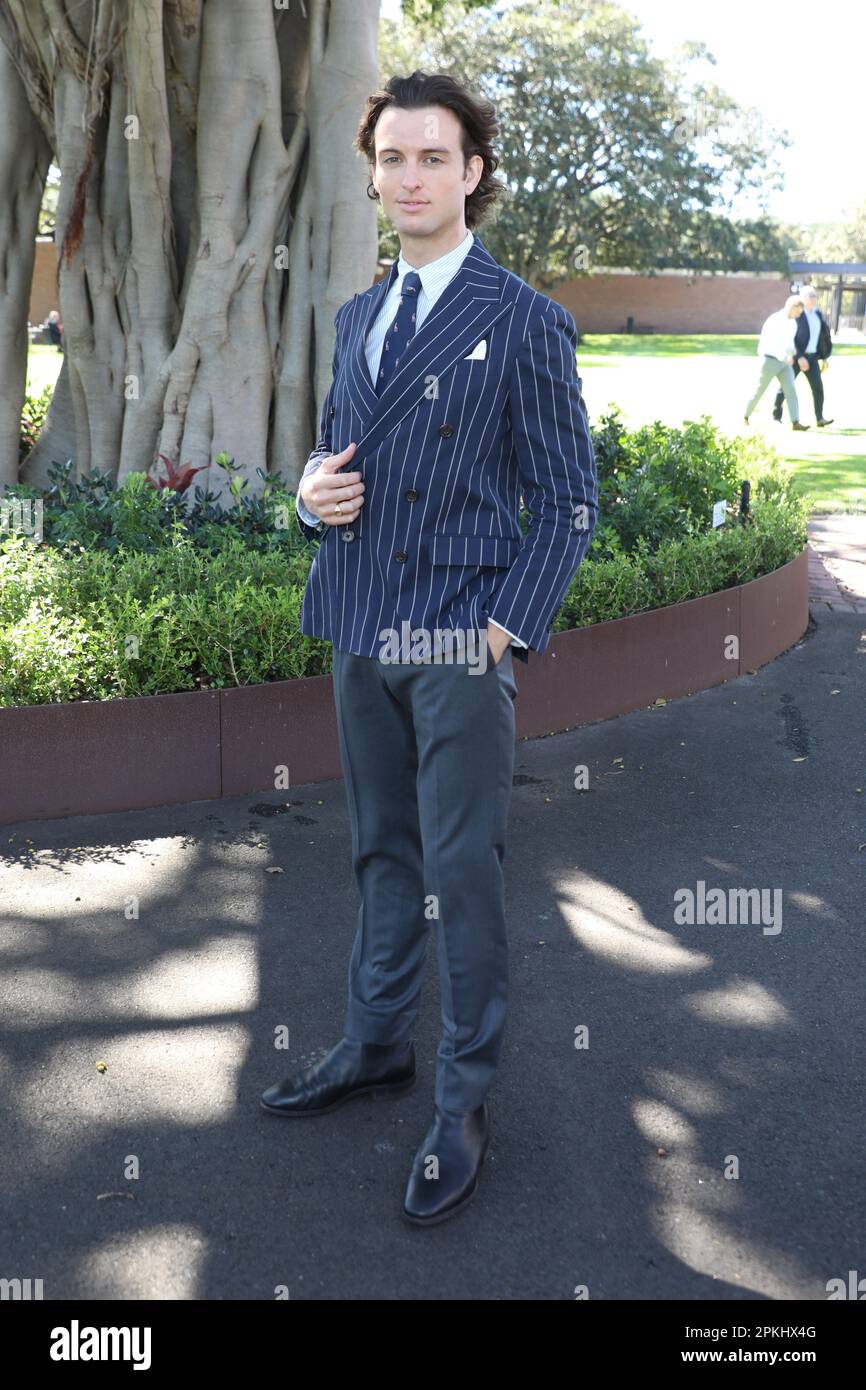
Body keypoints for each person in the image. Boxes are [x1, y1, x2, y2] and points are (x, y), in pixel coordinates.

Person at [260, 70, 598, 1225]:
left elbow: (564, 503)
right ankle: (371, 1045)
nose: (408, 177)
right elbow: (326, 460)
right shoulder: (357, 316)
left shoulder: (523, 319)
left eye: (431, 158)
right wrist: (307, 499)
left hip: (456, 640)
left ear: (471, 173)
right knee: (378, 855)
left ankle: (460, 1097)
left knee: (464, 875)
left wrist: (501, 630)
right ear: (374, 173)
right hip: (358, 626)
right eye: (391, 159)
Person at [744, 295, 810, 430]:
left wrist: (793, 355)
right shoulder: (775, 320)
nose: (798, 315)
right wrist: (784, 357)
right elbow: (771, 343)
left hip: (785, 363)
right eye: (798, 312)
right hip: (770, 360)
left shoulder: (793, 323)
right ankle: (745, 416)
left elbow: (789, 343)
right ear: (792, 307)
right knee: (760, 390)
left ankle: (795, 422)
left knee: (791, 390)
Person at [771, 283, 833, 426]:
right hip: (796, 357)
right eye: (810, 296)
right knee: (786, 387)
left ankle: (820, 418)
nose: (813, 298)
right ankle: (776, 416)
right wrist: (799, 357)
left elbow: (821, 337)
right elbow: (790, 338)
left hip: (813, 357)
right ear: (802, 298)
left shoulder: (817, 314)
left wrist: (824, 357)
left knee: (818, 387)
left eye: (815, 296)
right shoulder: (797, 314)